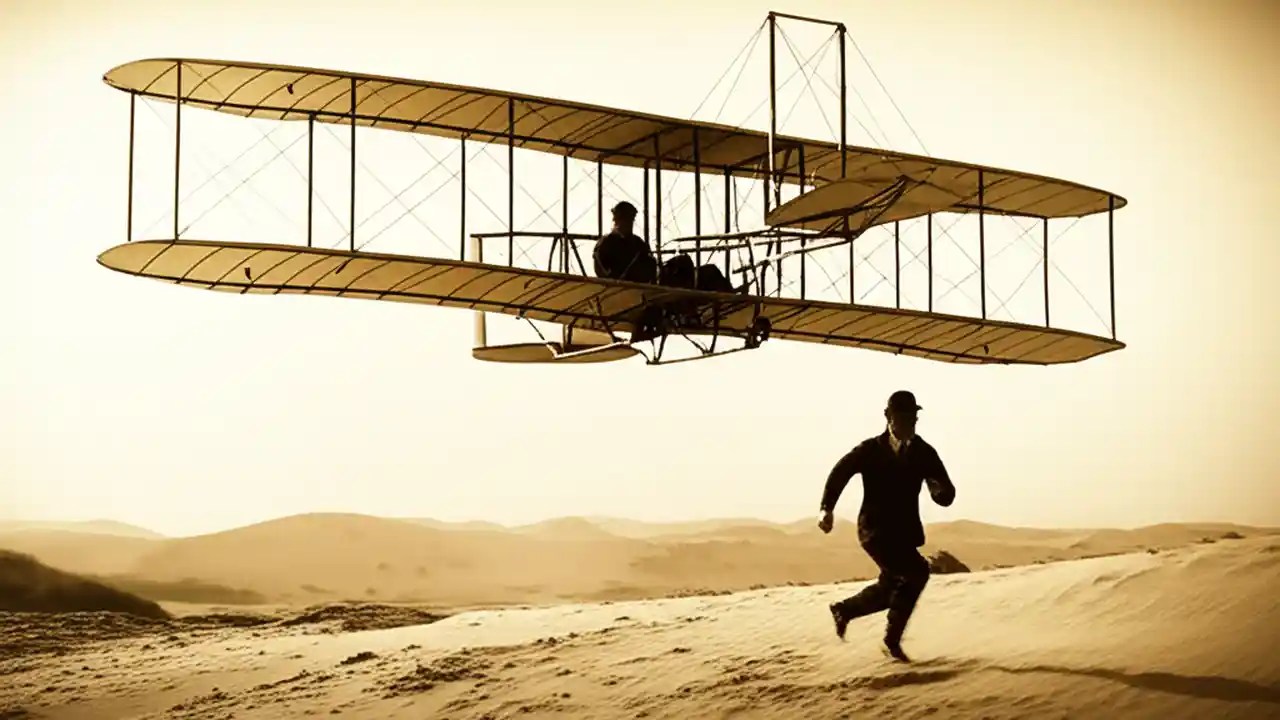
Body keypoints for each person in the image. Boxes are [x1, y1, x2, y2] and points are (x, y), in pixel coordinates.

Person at [816, 390, 955, 662]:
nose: (908, 425)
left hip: (904, 533)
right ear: (888, 417)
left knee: (891, 586)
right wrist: (826, 509)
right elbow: (840, 472)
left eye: (912, 419)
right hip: (875, 531)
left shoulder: (924, 452)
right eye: (902, 419)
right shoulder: (871, 450)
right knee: (916, 572)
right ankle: (891, 641)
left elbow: (945, 490)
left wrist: (941, 492)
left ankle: (845, 610)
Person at [593, 201, 737, 293]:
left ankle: (728, 296)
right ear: (616, 220)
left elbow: (651, 263)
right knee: (680, 273)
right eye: (625, 220)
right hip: (633, 290)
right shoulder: (606, 244)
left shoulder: (636, 242)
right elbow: (604, 273)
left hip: (654, 282)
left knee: (704, 269)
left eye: (631, 220)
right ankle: (690, 301)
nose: (629, 224)